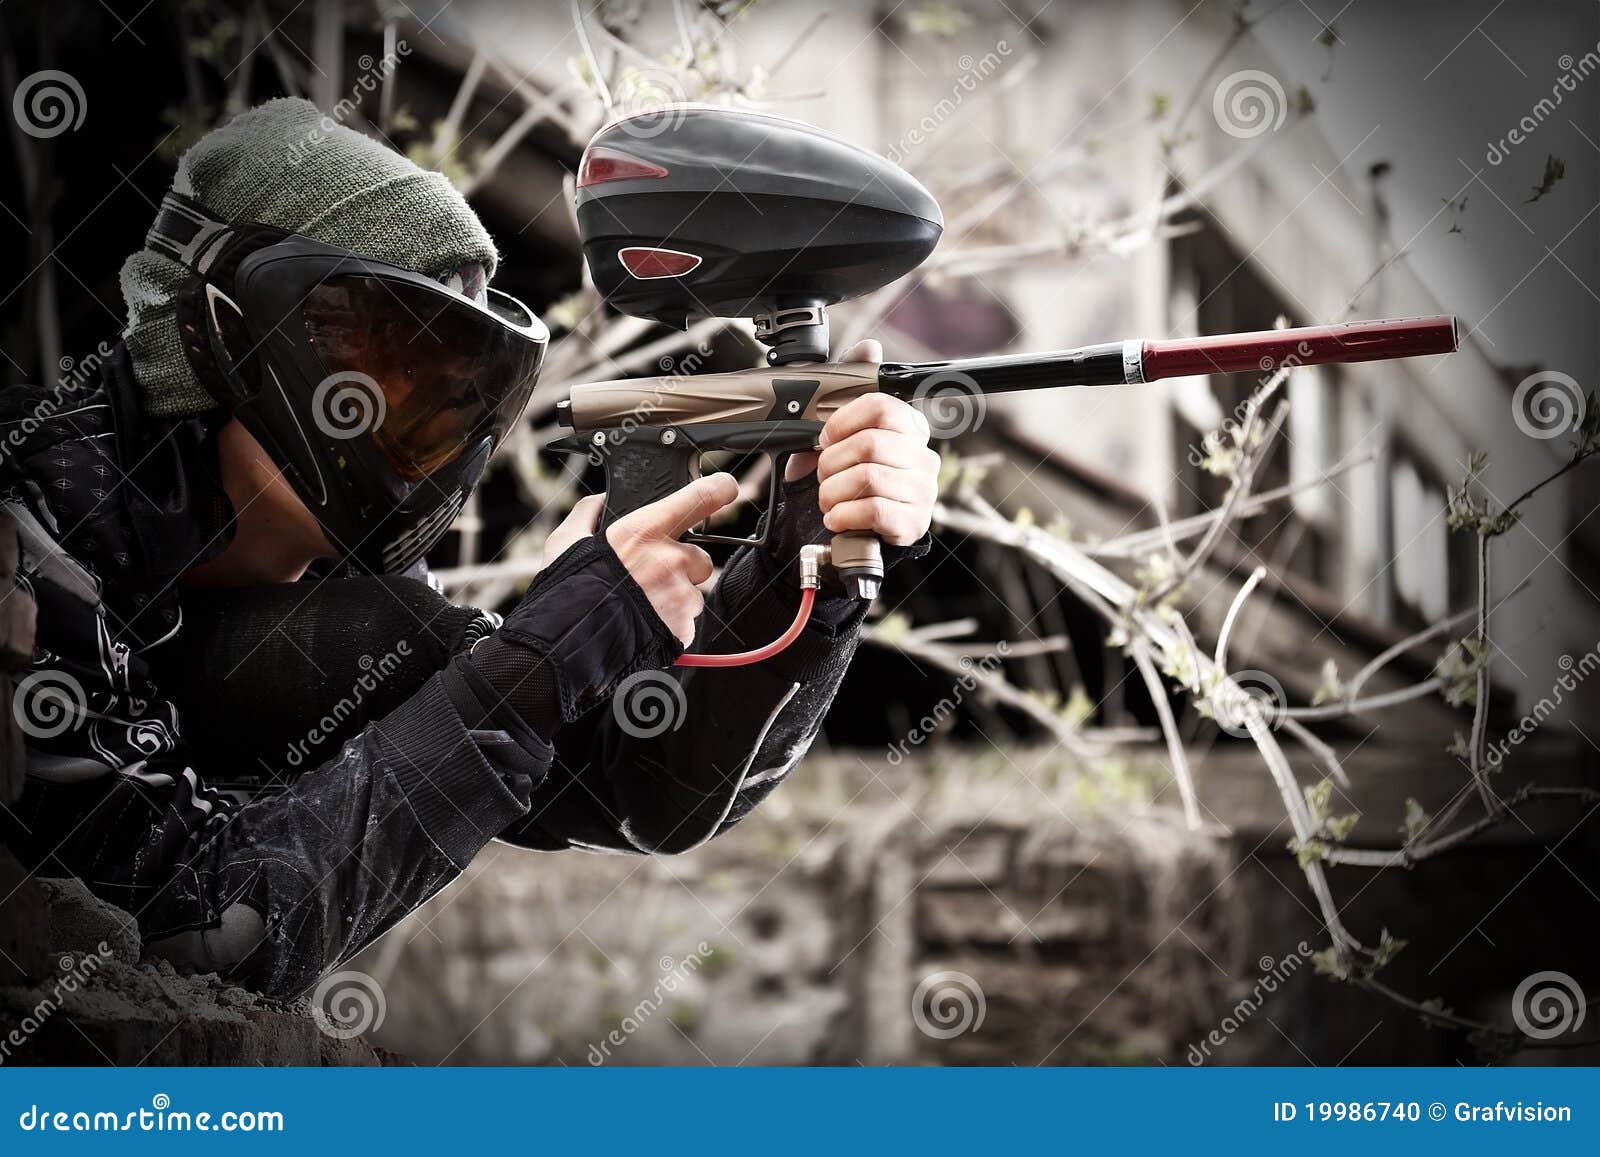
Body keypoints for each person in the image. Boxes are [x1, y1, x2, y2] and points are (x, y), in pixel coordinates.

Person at [0, 100, 938, 998]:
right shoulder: (30, 529)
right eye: (389, 370)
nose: (425, 433)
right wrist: (550, 646)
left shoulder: (347, 605)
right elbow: (192, 933)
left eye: (455, 391)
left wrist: (799, 554)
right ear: (229, 328)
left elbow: (640, 788)